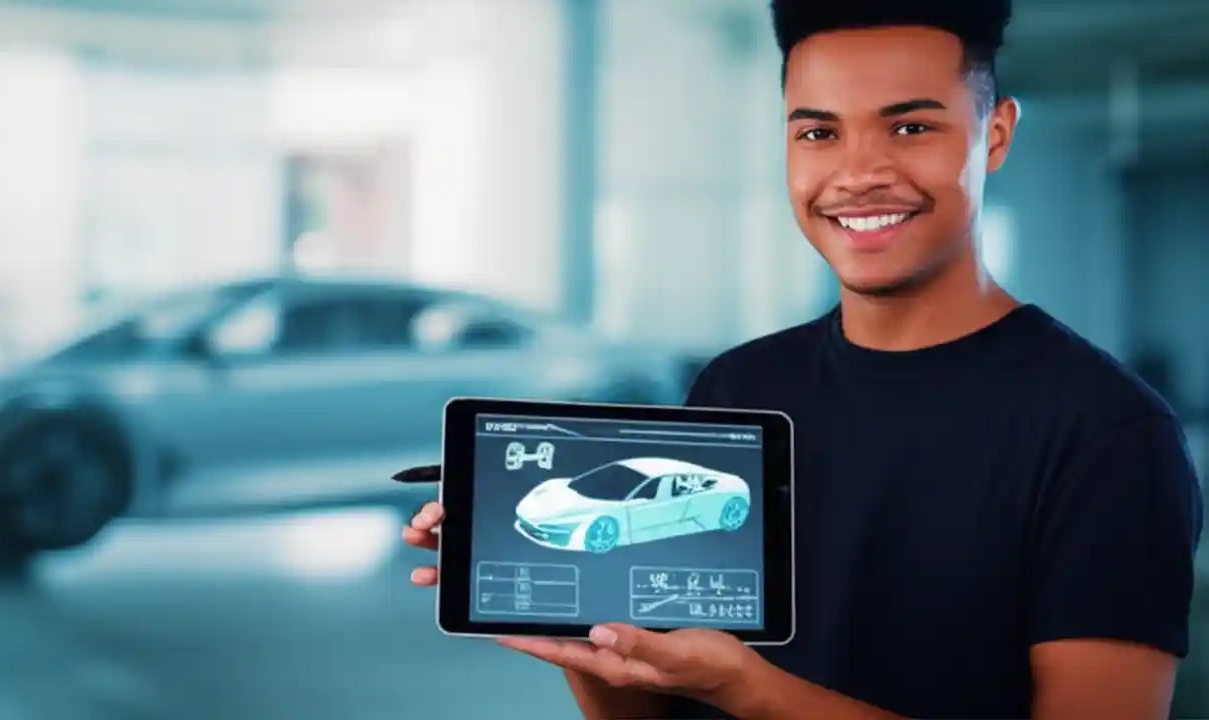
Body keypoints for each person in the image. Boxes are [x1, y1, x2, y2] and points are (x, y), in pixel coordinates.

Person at [401, 0, 1205, 717]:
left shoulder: (1108, 434)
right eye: (819, 132)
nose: (858, 173)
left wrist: (746, 687)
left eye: (911, 126)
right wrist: (575, 617)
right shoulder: (737, 388)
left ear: (994, 137)